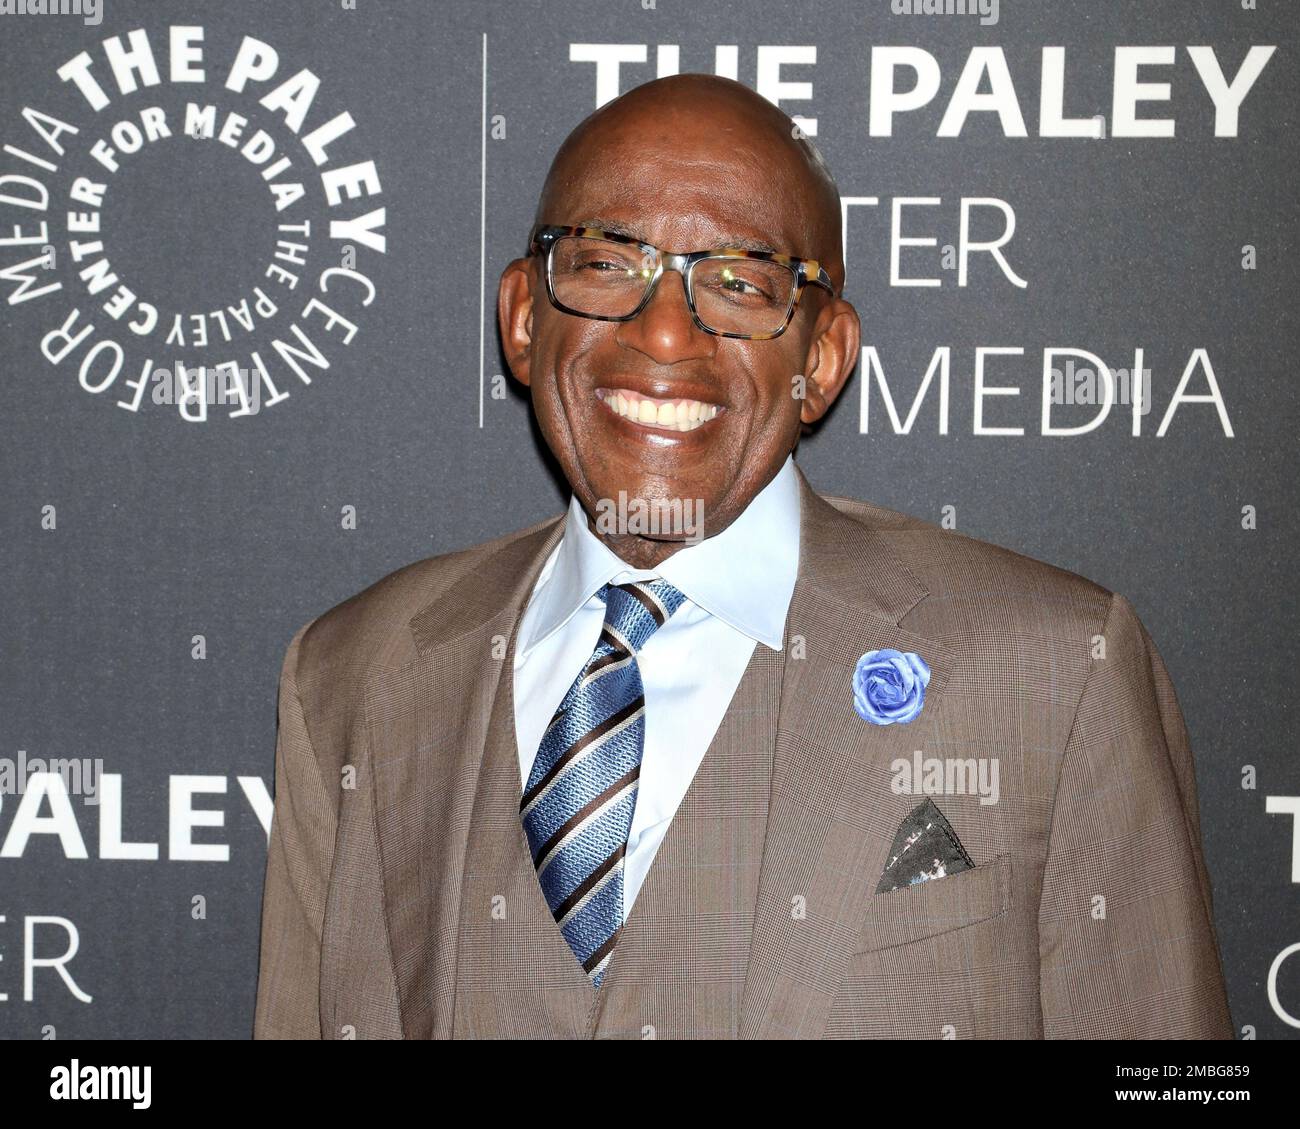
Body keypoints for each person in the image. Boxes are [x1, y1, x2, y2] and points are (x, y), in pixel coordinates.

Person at [252, 74, 1232, 1039]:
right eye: (606, 263)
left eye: (738, 282)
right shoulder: (356, 673)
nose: (666, 332)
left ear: (821, 357)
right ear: (522, 318)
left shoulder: (1056, 674)